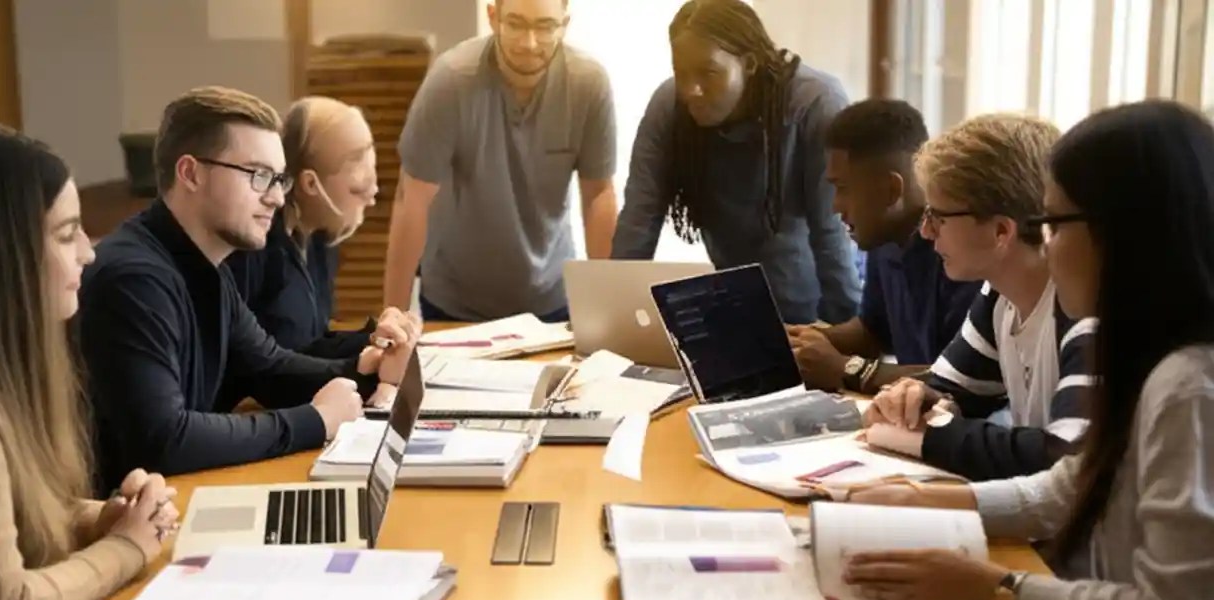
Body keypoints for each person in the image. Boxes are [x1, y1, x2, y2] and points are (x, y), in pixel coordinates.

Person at [842, 100, 1214, 600]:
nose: (1045, 243)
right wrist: (936, 501)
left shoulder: (1189, 386)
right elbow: (1073, 483)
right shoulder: (1148, 351)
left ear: (1121, 233)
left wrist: (995, 587)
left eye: (1055, 223)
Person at [79, 87, 418, 495]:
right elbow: (164, 440)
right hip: (114, 521)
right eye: (258, 176)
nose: (276, 197)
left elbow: (269, 368)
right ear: (190, 173)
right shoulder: (136, 279)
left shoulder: (207, 265)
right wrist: (315, 421)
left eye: (278, 179)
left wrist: (366, 367)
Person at [0, 123, 179, 600]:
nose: (90, 254)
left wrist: (103, 520)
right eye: (68, 234)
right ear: (0, 255)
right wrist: (125, 549)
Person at [861, 114, 1093, 481]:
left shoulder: (1084, 310)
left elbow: (1061, 455)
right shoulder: (999, 294)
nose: (925, 232)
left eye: (938, 217)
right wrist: (912, 399)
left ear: (1001, 231)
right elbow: (949, 391)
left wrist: (928, 437)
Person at [611, 0, 861, 325]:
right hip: (735, 310)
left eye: (708, 73)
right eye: (680, 73)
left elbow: (832, 231)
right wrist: (614, 320)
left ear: (750, 63)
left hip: (815, 312)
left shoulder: (815, 103)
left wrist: (844, 340)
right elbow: (639, 217)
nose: (691, 90)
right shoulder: (670, 107)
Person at [383, 0, 618, 322]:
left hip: (551, 298)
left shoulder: (588, 83)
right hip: (454, 303)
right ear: (493, 18)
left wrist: (607, 313)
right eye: (517, 24)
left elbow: (598, 196)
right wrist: (391, 318)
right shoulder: (451, 80)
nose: (529, 43)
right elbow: (412, 198)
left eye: (545, 26)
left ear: (564, 24)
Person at [220, 97, 420, 411]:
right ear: (310, 184)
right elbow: (264, 372)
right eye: (357, 190)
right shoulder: (254, 250)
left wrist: (378, 339)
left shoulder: (317, 241)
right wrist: (365, 369)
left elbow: (309, 342)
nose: (370, 200)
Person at [787, 99, 981, 392]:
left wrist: (846, 369)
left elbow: (961, 380)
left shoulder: (963, 253)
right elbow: (874, 331)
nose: (835, 207)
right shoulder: (884, 238)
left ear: (892, 190)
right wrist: (809, 341)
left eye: (843, 189)